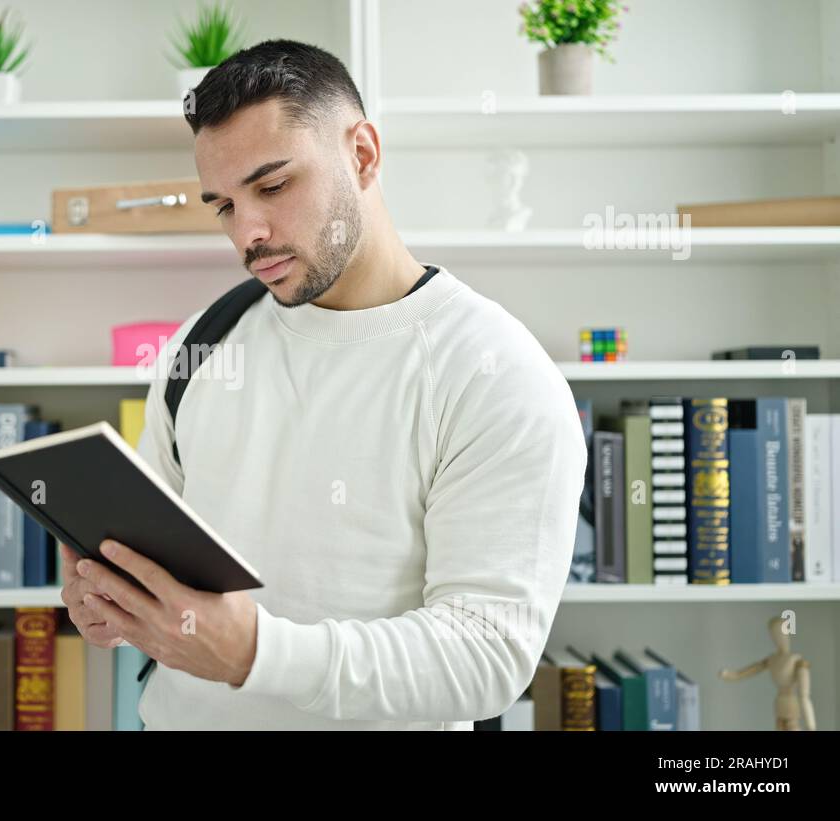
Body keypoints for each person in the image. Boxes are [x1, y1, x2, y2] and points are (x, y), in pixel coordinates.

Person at [60, 39, 586, 730]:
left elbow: (485, 655)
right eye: (222, 204)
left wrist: (256, 654)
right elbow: (160, 566)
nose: (247, 232)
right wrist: (114, 602)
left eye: (273, 185)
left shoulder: (496, 373)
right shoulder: (202, 341)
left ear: (363, 154)